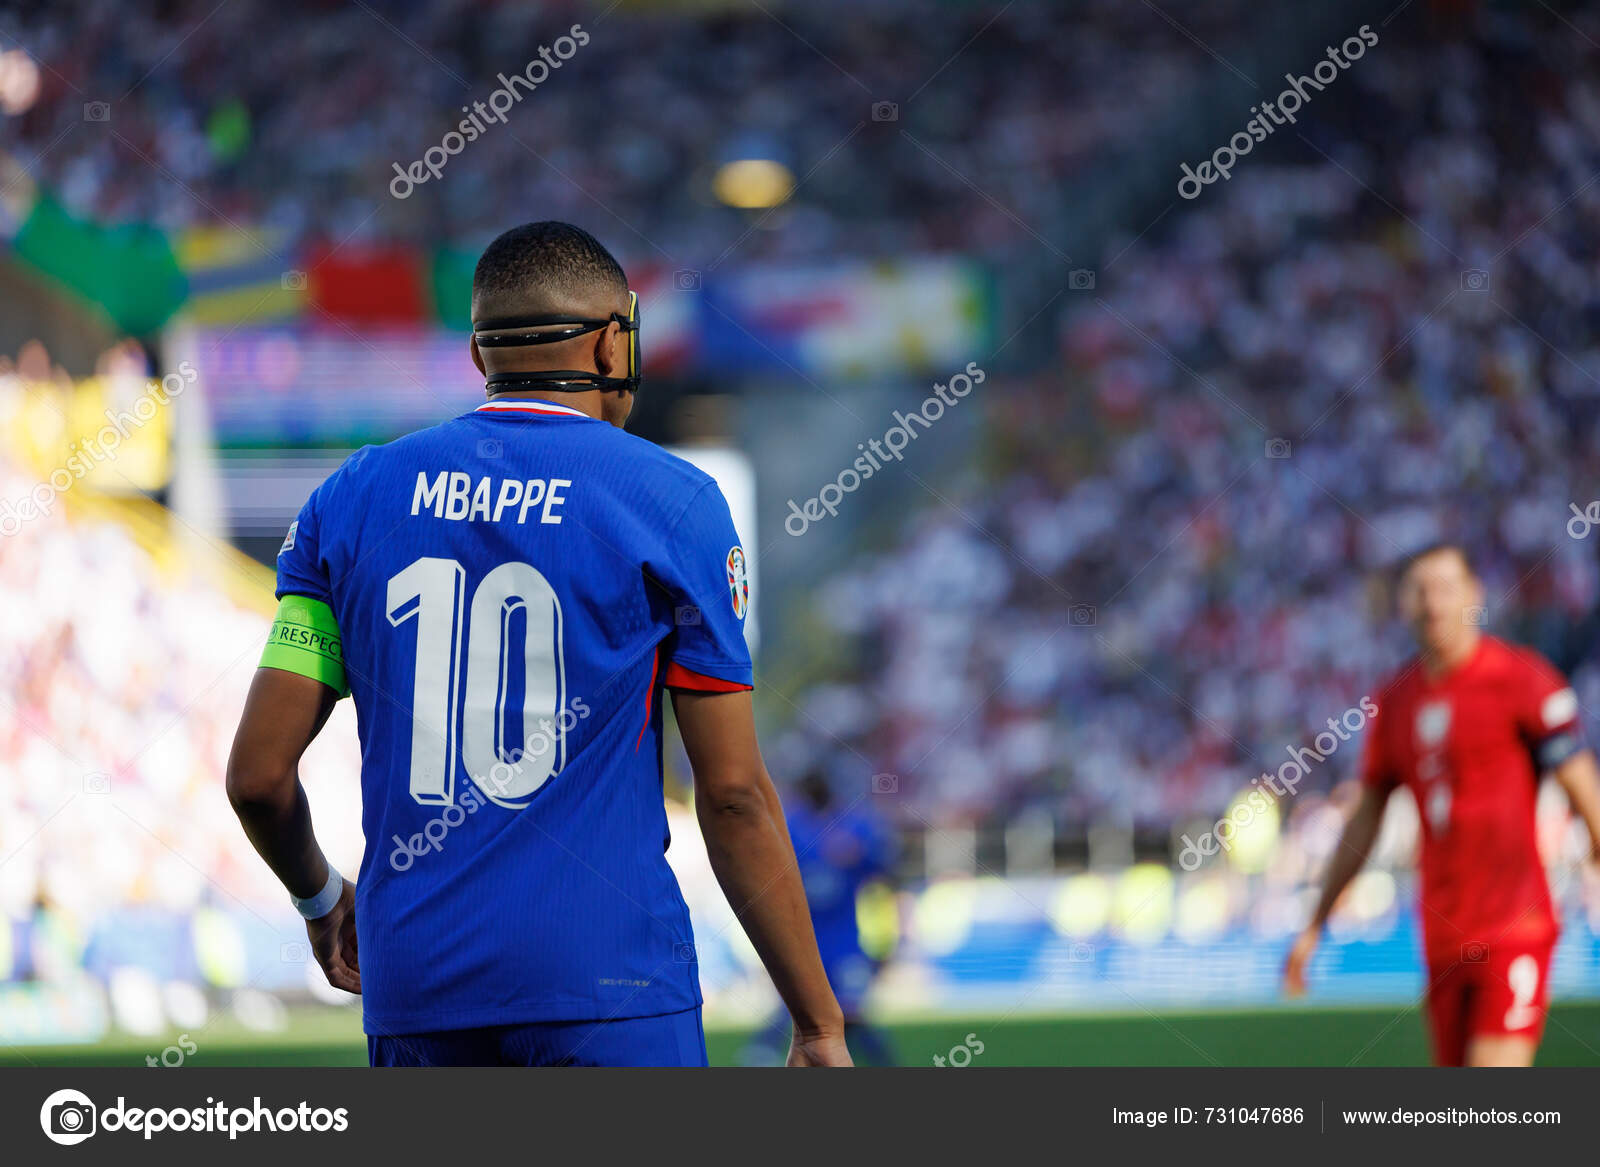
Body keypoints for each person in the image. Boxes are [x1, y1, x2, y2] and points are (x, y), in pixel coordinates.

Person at [226, 221, 849, 1067]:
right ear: (609, 343)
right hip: (611, 984)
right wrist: (817, 1023)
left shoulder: (354, 496)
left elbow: (259, 777)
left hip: (418, 985)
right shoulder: (673, 502)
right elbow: (733, 796)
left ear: (483, 356)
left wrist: (319, 896)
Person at [1283, 543, 1600, 1066]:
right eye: (1419, 591)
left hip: (1514, 928)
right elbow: (1365, 820)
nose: (1433, 604)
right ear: (1402, 604)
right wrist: (1317, 920)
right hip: (1442, 938)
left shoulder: (1520, 678)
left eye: (1446, 588)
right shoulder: (1395, 702)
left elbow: (1583, 785)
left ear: (1474, 596)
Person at [744, 769, 896, 1065]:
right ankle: (761, 1050)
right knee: (802, 1004)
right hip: (805, 937)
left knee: (849, 1010)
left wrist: (859, 855)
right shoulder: (792, 825)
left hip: (845, 939)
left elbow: (882, 869)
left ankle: (762, 1050)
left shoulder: (854, 826)